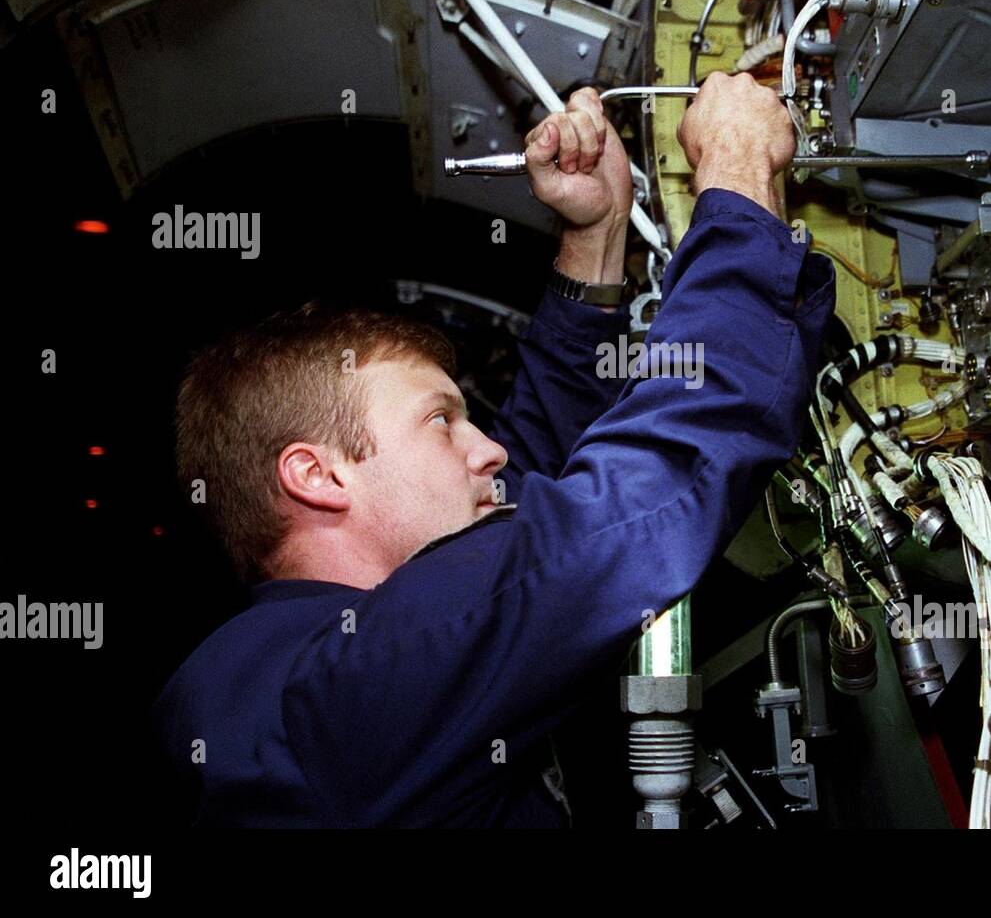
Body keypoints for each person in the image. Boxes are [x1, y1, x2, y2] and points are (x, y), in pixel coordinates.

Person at [151, 72, 836, 827]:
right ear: (318, 474)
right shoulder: (331, 697)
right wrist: (737, 178)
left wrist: (597, 232)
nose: (489, 453)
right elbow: (629, 507)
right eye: (442, 421)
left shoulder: (302, 676)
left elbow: (526, 490)